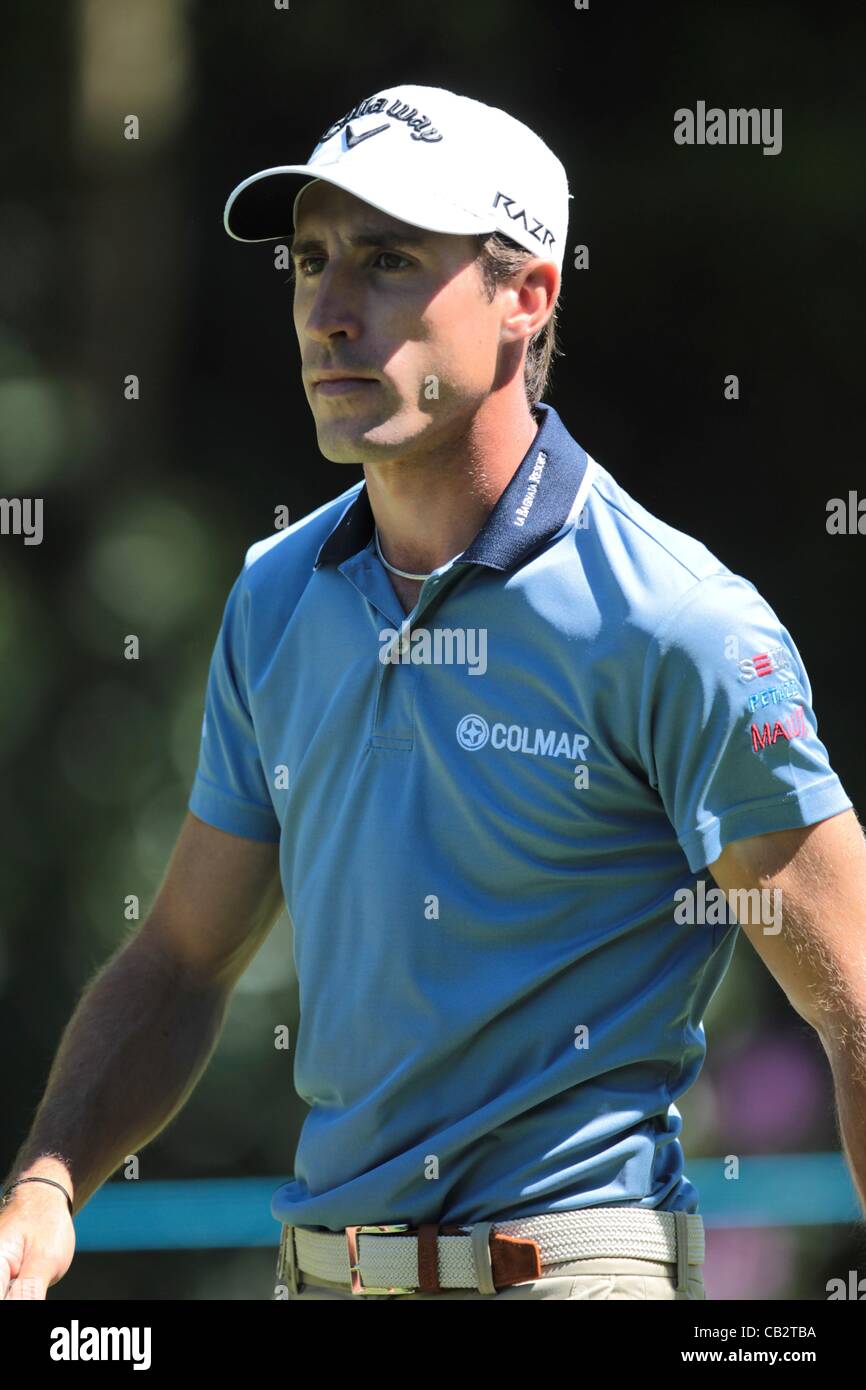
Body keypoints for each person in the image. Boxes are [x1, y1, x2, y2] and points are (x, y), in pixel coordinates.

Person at [2, 84, 865, 1303]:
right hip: (321, 1278)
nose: (330, 312)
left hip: (571, 1273)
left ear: (528, 295)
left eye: (389, 261)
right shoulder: (273, 597)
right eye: (310, 262)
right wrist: (44, 1181)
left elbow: (854, 1006)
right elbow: (182, 962)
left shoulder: (678, 624)